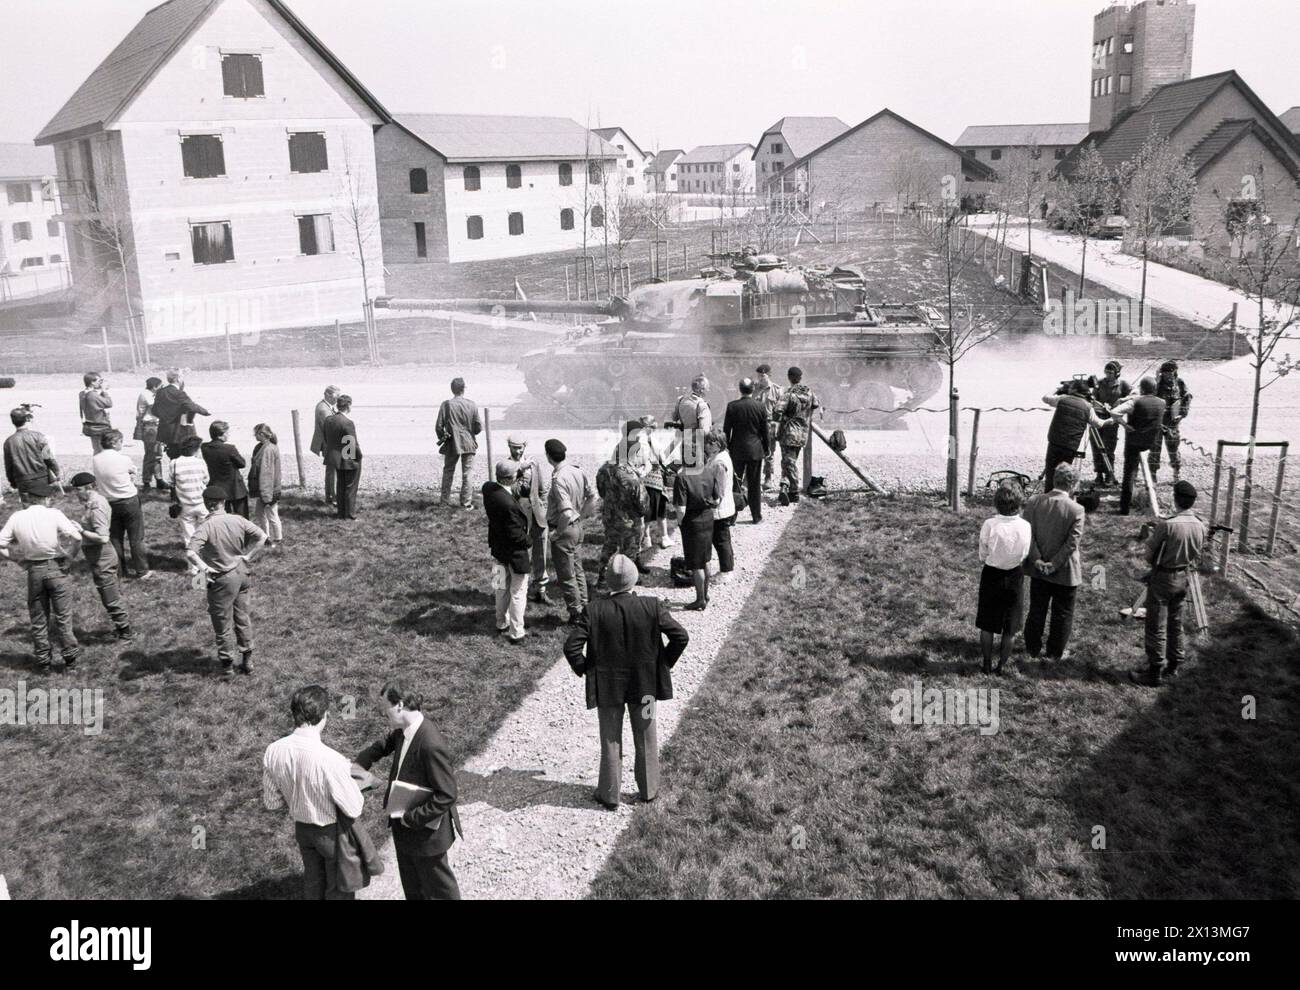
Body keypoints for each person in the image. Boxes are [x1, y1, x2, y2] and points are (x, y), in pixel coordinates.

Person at [563, 554, 689, 809]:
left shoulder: (594, 610)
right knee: (646, 736)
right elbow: (680, 637)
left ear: (608, 583)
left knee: (610, 738)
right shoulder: (651, 606)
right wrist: (662, 664)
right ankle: (649, 790)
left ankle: (609, 794)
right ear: (634, 580)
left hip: (608, 688)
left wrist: (588, 670)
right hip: (645, 687)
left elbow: (571, 648)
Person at [354, 681, 462, 901]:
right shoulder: (404, 730)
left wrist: (412, 818)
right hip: (405, 829)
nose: (385, 714)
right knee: (413, 889)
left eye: (386, 709)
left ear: (400, 705)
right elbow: (387, 742)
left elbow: (447, 794)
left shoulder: (431, 744)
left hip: (425, 835)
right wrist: (362, 761)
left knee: (440, 891)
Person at [262, 685, 368, 900]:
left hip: (302, 830)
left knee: (313, 884)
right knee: (338, 889)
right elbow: (354, 807)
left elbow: (272, 803)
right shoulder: (330, 759)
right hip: (330, 833)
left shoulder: (273, 750)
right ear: (324, 716)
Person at [1130, 480, 1207, 687]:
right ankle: (1174, 664)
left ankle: (1154, 671)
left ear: (1175, 499)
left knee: (1156, 625)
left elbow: (1149, 555)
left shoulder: (1168, 525)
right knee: (1175, 622)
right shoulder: (1200, 525)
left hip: (1164, 577)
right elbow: (1198, 552)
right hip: (1184, 576)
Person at [185, 485, 267, 678]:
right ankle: (247, 659)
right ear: (223, 503)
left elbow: (190, 552)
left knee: (222, 622)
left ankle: (227, 665)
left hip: (222, 578)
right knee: (242, 617)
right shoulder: (238, 519)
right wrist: (248, 556)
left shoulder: (205, 526)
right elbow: (262, 537)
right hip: (242, 573)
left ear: (207, 504)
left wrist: (205, 569)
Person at [0, 483, 83, 671]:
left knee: (38, 618)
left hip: (34, 571)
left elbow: (1, 544)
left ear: (28, 498)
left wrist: (18, 559)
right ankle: (70, 662)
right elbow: (77, 537)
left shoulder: (17, 517)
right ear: (47, 499)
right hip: (56, 567)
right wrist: (70, 557)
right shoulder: (53, 513)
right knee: (63, 617)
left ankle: (43, 661)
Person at [1021, 462, 1086, 663]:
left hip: (1038, 568)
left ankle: (1032, 647)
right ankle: (1055, 651)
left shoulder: (1034, 502)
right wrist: (1055, 564)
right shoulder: (1077, 510)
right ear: (1073, 484)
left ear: (1053, 479)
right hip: (1065, 571)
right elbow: (1071, 543)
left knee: (1037, 609)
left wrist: (1038, 560)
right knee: (1063, 613)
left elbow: (1027, 534)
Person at [70, 472, 133, 644]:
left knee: (110, 597)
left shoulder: (96, 505)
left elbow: (103, 537)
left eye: (78, 489)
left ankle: (125, 633)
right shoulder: (91, 502)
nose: (76, 493)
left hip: (102, 556)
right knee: (109, 593)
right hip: (97, 556)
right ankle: (121, 628)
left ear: (89, 487)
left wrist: (81, 531)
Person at [976, 481, 1031, 674]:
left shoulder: (990, 524)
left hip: (992, 574)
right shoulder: (1025, 526)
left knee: (987, 623)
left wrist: (991, 557)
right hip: (1015, 575)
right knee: (1010, 626)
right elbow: (1024, 553)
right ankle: (1002, 666)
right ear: (1019, 503)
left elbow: (982, 553)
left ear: (996, 503)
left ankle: (986, 662)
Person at [546, 439, 595, 625]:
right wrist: (581, 516)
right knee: (578, 570)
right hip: (577, 527)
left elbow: (565, 512)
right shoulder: (577, 470)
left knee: (567, 575)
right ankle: (584, 606)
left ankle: (576, 614)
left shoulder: (558, 479)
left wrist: (557, 533)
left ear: (548, 456)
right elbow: (592, 496)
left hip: (564, 530)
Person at [92, 429, 152, 580]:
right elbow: (133, 471)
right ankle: (142, 570)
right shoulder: (123, 459)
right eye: (120, 442)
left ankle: (119, 571)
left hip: (109, 501)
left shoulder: (96, 459)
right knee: (136, 537)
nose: (121, 444)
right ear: (114, 442)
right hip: (128, 500)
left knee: (115, 538)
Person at [595, 423, 649, 589]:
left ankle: (602, 579)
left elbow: (601, 491)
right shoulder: (631, 476)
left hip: (610, 516)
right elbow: (642, 503)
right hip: (629, 521)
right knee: (629, 551)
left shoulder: (605, 469)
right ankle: (628, 580)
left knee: (608, 547)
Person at [483, 459, 532, 643]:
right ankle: (516, 632)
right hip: (515, 555)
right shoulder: (509, 506)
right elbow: (516, 536)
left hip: (497, 549)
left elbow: (498, 482)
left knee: (500, 588)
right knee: (518, 592)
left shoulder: (488, 489)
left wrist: (519, 468)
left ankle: (500, 622)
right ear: (512, 478)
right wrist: (530, 540)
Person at [507, 435, 554, 606]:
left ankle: (541, 590)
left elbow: (542, 488)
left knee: (540, 551)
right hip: (518, 516)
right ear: (509, 447)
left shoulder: (534, 464)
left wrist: (542, 507)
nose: (518, 451)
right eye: (514, 447)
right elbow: (506, 490)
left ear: (525, 446)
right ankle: (520, 591)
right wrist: (519, 470)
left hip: (537, 515)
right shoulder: (506, 466)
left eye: (520, 447)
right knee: (521, 553)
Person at [673, 452, 723, 610]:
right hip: (708, 518)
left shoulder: (682, 477)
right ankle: (705, 593)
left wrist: (680, 522)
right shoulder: (709, 471)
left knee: (696, 564)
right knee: (706, 559)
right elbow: (717, 499)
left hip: (692, 521)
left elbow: (680, 509)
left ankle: (700, 599)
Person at [1112, 377, 1167, 516]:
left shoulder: (1135, 402)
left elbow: (1114, 412)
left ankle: (1124, 508)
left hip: (1134, 440)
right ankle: (1150, 501)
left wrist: (1125, 425)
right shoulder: (1162, 402)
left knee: (1129, 473)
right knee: (1145, 472)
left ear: (1141, 389)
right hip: (1151, 441)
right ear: (1155, 389)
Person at [1040, 379, 1105, 489]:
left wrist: (1058, 389)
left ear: (1074, 389)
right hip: (1070, 446)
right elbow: (1098, 423)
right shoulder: (1088, 407)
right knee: (1064, 474)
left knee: (1051, 472)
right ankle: (1063, 496)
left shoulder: (1062, 398)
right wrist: (1111, 420)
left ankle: (1048, 495)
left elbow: (1045, 398)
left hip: (1054, 442)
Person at [723, 377, 770, 523]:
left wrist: (728, 448)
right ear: (752, 390)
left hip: (737, 451)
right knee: (754, 485)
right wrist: (767, 449)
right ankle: (756, 517)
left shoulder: (732, 406)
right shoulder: (760, 406)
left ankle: (731, 517)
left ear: (740, 389)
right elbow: (765, 431)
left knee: (734, 484)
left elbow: (726, 431)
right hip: (755, 451)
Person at [436, 377, 482, 509]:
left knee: (448, 472)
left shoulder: (446, 405)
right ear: (463, 389)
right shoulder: (472, 404)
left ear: (452, 389)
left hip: (451, 443)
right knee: (467, 474)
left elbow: (439, 427)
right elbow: (478, 427)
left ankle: (444, 503)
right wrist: (470, 433)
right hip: (469, 443)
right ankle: (466, 503)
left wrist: (443, 437)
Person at [775, 366, 819, 505]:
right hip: (802, 434)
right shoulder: (809, 392)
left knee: (789, 462)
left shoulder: (789, 393)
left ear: (789, 377)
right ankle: (784, 485)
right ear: (800, 377)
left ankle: (793, 491)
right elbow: (816, 404)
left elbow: (777, 410)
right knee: (788, 461)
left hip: (789, 433)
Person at [4, 405, 61, 497]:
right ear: (26, 419)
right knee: (42, 504)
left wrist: (12, 481)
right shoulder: (38, 436)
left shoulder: (9, 442)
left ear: (12, 422)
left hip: (22, 479)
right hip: (41, 477)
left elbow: (9, 465)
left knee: (27, 506)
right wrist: (56, 472)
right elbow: (48, 457)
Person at [153, 368, 210, 460]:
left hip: (166, 432)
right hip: (180, 432)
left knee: (173, 457)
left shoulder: (160, 392)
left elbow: (154, 410)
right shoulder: (179, 393)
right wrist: (206, 412)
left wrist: (166, 417)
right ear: (178, 378)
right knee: (185, 457)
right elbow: (191, 406)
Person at [1151, 360, 1192, 482]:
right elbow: (1149, 397)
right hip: (1158, 422)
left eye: (1170, 372)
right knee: (1154, 449)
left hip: (1172, 422)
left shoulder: (1179, 383)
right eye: (1165, 373)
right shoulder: (1156, 384)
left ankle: (1176, 473)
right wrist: (1157, 381)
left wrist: (1182, 414)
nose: (1168, 375)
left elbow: (1187, 398)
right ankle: (1153, 475)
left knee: (1173, 448)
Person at [169, 435, 210, 556]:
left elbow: (171, 482)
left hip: (184, 504)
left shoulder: (174, 463)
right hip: (201, 502)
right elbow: (206, 480)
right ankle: (207, 560)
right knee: (205, 532)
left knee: (189, 535)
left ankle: (193, 565)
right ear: (197, 449)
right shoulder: (200, 462)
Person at [1091, 361, 1131, 486]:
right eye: (1106, 372)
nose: (1108, 375)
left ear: (1117, 373)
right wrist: (1099, 405)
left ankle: (1109, 474)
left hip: (1112, 421)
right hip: (1097, 418)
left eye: (1111, 373)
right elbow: (1092, 399)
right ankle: (1099, 474)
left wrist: (1121, 401)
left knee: (1109, 447)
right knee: (1096, 447)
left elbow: (1134, 396)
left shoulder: (1123, 385)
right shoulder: (1099, 383)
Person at [324, 395, 362, 520]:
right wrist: (358, 456)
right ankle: (350, 515)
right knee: (350, 487)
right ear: (349, 406)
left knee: (340, 486)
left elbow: (326, 438)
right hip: (347, 458)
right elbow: (352, 443)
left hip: (335, 457)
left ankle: (341, 513)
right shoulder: (348, 423)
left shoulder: (329, 420)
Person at [704, 429, 736, 579]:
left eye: (709, 443)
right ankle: (726, 568)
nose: (706, 445)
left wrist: (714, 502)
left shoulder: (719, 462)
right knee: (721, 540)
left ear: (717, 444)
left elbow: (720, 488)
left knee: (722, 541)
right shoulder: (718, 456)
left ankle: (727, 571)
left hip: (720, 509)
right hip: (722, 507)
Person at [202, 421, 250, 519]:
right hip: (235, 488)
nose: (228, 435)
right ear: (221, 435)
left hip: (218, 487)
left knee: (222, 518)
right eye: (227, 433)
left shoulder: (205, 447)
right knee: (242, 518)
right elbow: (242, 464)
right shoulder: (230, 448)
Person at [249, 424, 283, 549]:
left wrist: (266, 495)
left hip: (269, 489)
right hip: (269, 489)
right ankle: (267, 537)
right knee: (262, 513)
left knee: (271, 514)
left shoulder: (267, 449)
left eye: (256, 434)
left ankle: (277, 539)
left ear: (261, 434)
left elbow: (266, 474)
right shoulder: (264, 447)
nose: (254, 436)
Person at [671, 374, 712, 471]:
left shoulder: (681, 400)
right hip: (698, 445)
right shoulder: (702, 405)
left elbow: (674, 417)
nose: (708, 390)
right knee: (698, 473)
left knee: (687, 471)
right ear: (701, 390)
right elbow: (704, 431)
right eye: (707, 388)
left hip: (685, 440)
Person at [752, 364, 783, 491]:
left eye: (763, 375)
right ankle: (751, 478)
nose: (760, 377)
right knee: (753, 452)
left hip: (770, 424)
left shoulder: (777, 390)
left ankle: (768, 477)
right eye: (759, 375)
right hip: (755, 425)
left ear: (768, 375)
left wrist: (777, 425)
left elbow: (780, 410)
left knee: (769, 452)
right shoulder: (753, 389)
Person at [134, 376, 167, 492]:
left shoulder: (151, 394)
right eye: (160, 386)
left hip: (155, 426)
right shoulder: (146, 394)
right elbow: (156, 407)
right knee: (150, 455)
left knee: (157, 455)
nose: (162, 388)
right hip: (150, 426)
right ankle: (147, 481)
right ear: (154, 387)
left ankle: (159, 479)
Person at [310, 386, 340, 507]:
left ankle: (331, 496)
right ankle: (332, 497)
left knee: (331, 471)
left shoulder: (326, 406)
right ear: (327, 394)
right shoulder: (323, 409)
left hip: (329, 442)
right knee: (332, 471)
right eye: (336, 396)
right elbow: (330, 427)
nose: (338, 399)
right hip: (329, 443)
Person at [79, 372, 113, 455]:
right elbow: (108, 403)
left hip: (91, 426)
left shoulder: (83, 393)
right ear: (92, 382)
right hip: (100, 426)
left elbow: (95, 403)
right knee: (103, 451)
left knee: (97, 450)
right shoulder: (92, 395)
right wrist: (104, 391)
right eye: (99, 381)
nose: (101, 383)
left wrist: (100, 392)